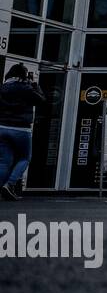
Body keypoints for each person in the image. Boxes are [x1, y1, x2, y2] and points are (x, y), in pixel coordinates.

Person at [0, 63, 44, 201]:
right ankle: (10, 184)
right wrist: (35, 85)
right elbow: (41, 100)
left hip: (2, 127)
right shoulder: (26, 89)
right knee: (25, 158)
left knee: (4, 161)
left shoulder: (3, 88)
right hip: (21, 129)